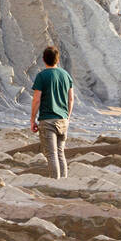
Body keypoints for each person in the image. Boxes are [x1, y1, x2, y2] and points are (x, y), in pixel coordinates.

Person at [30, 46, 74, 178]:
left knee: (52, 155)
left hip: (48, 120)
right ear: (57, 59)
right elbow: (71, 99)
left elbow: (36, 100)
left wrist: (32, 119)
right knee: (60, 153)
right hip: (63, 120)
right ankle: (64, 182)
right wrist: (67, 117)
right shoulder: (66, 75)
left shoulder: (42, 76)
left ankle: (56, 182)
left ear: (44, 59)